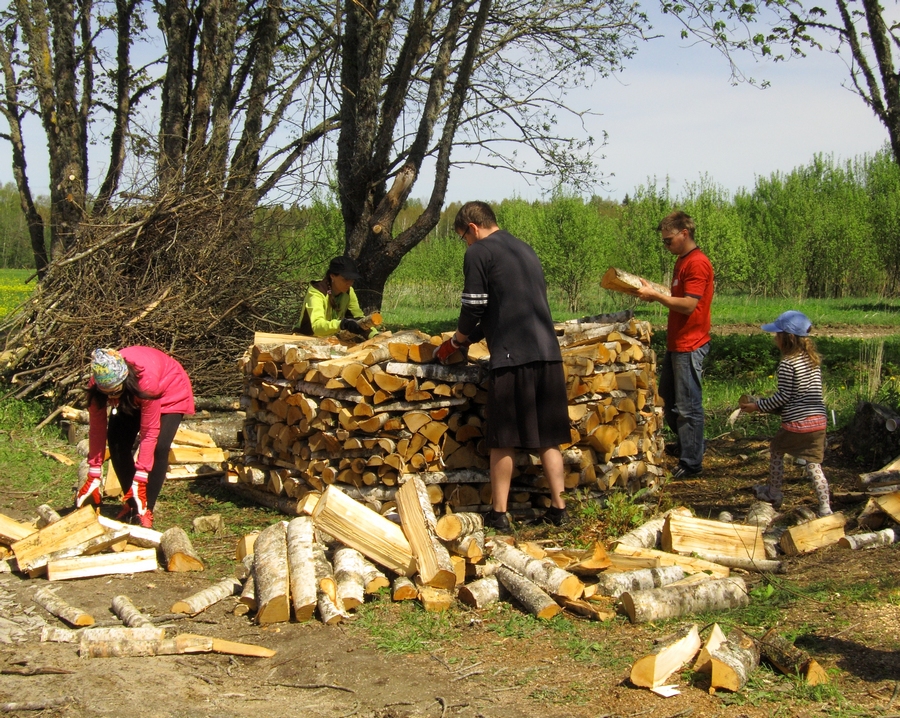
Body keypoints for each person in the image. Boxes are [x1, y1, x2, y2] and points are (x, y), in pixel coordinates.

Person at [435, 201, 570, 530]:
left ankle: (499, 513)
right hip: (548, 353)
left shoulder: (479, 252)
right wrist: (469, 339)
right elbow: (508, 306)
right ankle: (559, 507)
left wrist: (457, 339)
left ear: (472, 228)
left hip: (512, 356)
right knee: (548, 438)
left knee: (503, 437)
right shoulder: (524, 249)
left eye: (462, 237)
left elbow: (475, 306)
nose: (465, 244)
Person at [76, 347, 195, 528]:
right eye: (108, 394)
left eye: (115, 392)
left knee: (159, 447)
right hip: (132, 394)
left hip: (168, 390)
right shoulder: (97, 385)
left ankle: (145, 509)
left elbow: (149, 431)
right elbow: (97, 429)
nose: (111, 397)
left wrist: (141, 475)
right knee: (116, 441)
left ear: (124, 380)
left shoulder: (145, 382)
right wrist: (94, 472)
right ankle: (132, 504)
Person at [636, 210, 714, 480]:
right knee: (669, 401)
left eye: (668, 240)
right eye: (663, 242)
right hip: (677, 342)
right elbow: (679, 296)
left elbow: (690, 304)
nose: (666, 245)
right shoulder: (682, 261)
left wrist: (656, 296)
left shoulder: (697, 263)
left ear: (684, 233)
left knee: (688, 406)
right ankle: (688, 444)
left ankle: (692, 462)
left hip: (690, 343)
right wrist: (653, 291)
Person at [739, 311, 832, 517]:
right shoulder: (812, 362)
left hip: (796, 424)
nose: (774, 338)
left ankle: (773, 492)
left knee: (777, 450)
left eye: (777, 334)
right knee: (813, 463)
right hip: (818, 421)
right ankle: (825, 506)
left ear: (785, 338)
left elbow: (783, 397)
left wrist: (758, 405)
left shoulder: (787, 364)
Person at [297, 255, 376, 339]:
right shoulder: (316, 292)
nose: (349, 284)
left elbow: (359, 317)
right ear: (332, 276)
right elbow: (317, 326)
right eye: (345, 279)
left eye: (352, 280)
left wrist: (374, 335)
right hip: (305, 339)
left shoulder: (349, 291)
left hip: (330, 340)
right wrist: (342, 324)